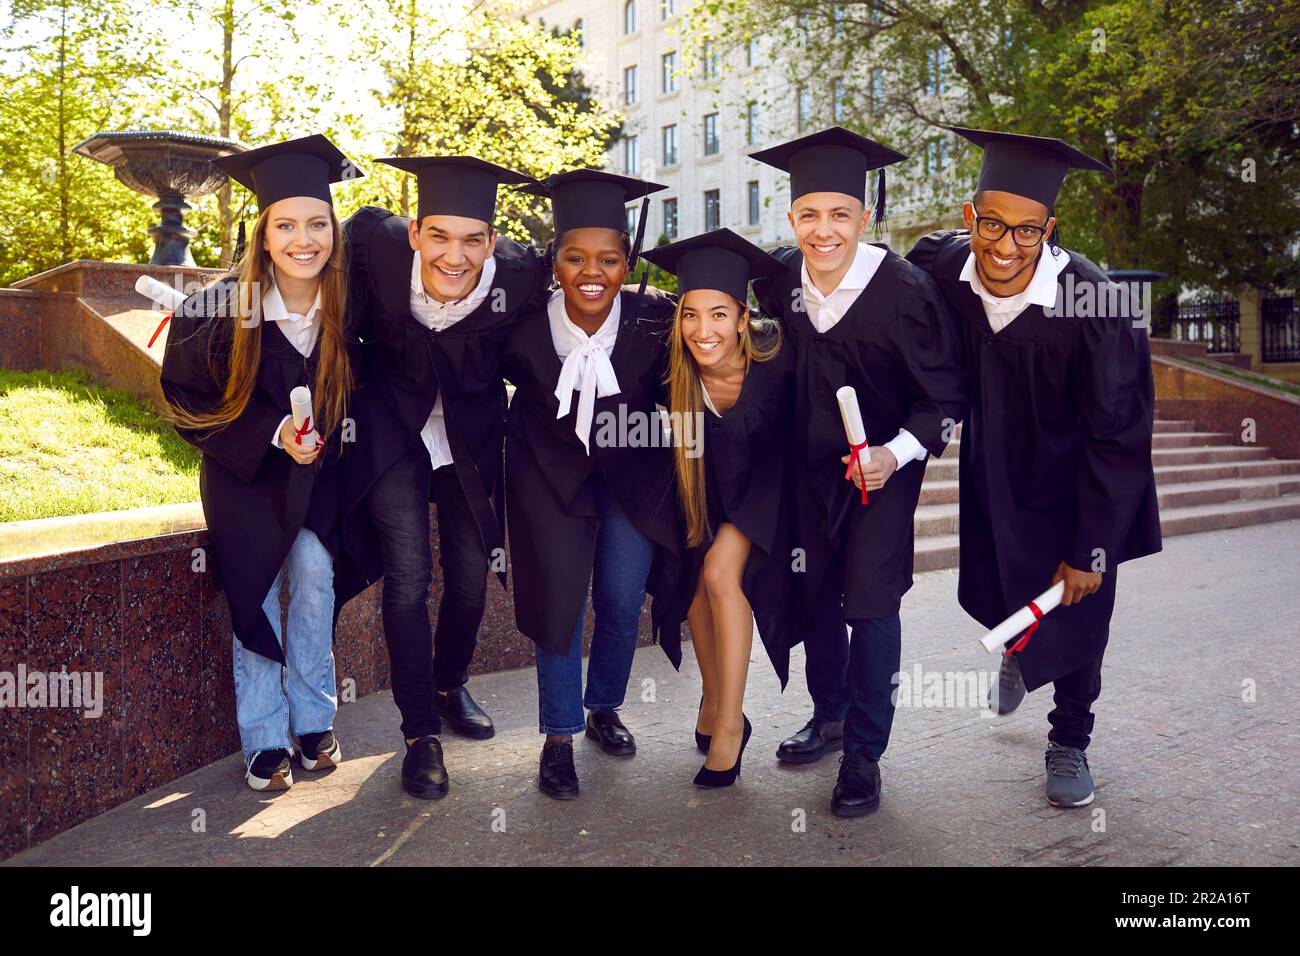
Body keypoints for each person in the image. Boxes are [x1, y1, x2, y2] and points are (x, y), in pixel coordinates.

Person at [905, 127, 1161, 808]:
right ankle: (1022, 650)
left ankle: (1070, 738)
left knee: (1079, 608)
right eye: (992, 224)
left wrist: (1090, 547)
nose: (1005, 245)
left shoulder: (1095, 304)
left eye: (1026, 232)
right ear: (971, 216)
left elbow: (1120, 434)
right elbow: (882, 282)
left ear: (1051, 228)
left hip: (1084, 480)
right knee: (1005, 582)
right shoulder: (944, 268)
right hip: (997, 466)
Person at [750, 126, 968, 816]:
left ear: (863, 218)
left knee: (870, 605)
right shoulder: (780, 278)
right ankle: (831, 713)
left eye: (839, 214)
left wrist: (892, 455)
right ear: (791, 219)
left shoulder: (905, 293)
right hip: (806, 473)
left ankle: (865, 755)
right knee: (814, 593)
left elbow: (943, 400)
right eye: (809, 215)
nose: (824, 231)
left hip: (880, 475)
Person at [337, 157, 546, 800]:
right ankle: (419, 734)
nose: (455, 256)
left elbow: (578, 315)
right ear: (414, 232)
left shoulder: (519, 274)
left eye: (473, 240)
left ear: (492, 241)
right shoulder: (372, 248)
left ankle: (450, 683)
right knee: (407, 576)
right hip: (393, 430)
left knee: (471, 576)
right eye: (440, 236)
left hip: (471, 439)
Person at [160, 134, 360, 792]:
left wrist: (319, 439)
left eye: (316, 224)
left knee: (312, 574)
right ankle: (265, 735)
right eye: (286, 226)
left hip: (314, 481)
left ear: (333, 231)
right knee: (256, 590)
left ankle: (313, 720)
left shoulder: (349, 312)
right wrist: (275, 431)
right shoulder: (220, 310)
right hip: (243, 477)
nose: (304, 240)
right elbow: (187, 396)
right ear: (264, 235)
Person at [502, 170, 680, 800]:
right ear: (555, 261)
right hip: (547, 477)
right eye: (575, 257)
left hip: (630, 474)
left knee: (622, 598)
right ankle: (558, 737)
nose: (591, 272)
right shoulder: (522, 325)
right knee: (559, 602)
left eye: (608, 259)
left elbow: (697, 374)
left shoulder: (653, 317)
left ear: (626, 261)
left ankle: (604, 706)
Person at [640, 229, 796, 788]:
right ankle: (714, 697)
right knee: (694, 581)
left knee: (719, 574)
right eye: (690, 315)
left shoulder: (779, 357)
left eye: (718, 315)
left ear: (742, 316)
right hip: (711, 493)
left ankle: (730, 723)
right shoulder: (676, 375)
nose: (703, 331)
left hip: (773, 492)